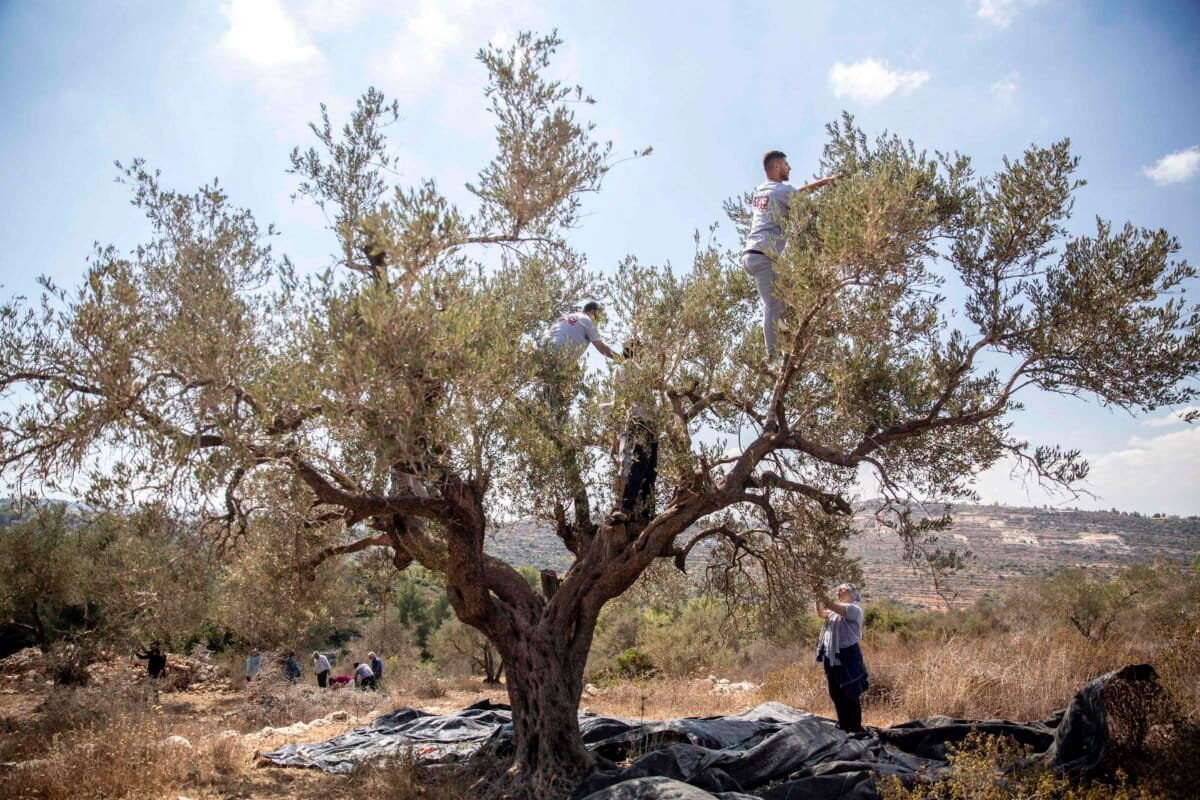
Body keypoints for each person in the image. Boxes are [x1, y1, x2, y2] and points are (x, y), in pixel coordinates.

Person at [743, 151, 840, 359]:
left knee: (787, 296)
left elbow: (796, 193)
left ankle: (782, 327)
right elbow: (808, 207)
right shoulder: (781, 191)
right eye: (786, 165)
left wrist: (825, 182)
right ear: (777, 166)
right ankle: (772, 357)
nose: (790, 168)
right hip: (763, 254)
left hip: (753, 253)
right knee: (771, 305)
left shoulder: (763, 190)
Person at [610, 339, 658, 524]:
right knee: (638, 464)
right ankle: (626, 507)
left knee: (651, 469)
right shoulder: (627, 368)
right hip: (637, 421)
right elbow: (626, 394)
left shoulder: (638, 368)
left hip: (650, 423)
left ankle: (647, 513)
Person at [815, 583, 869, 734]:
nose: (838, 591)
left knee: (850, 692)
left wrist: (820, 592)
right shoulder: (834, 612)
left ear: (851, 593)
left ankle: (856, 728)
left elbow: (831, 605)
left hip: (848, 656)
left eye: (842, 589)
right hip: (831, 656)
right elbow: (821, 613)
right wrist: (817, 598)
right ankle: (844, 725)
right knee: (836, 693)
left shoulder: (854, 609)